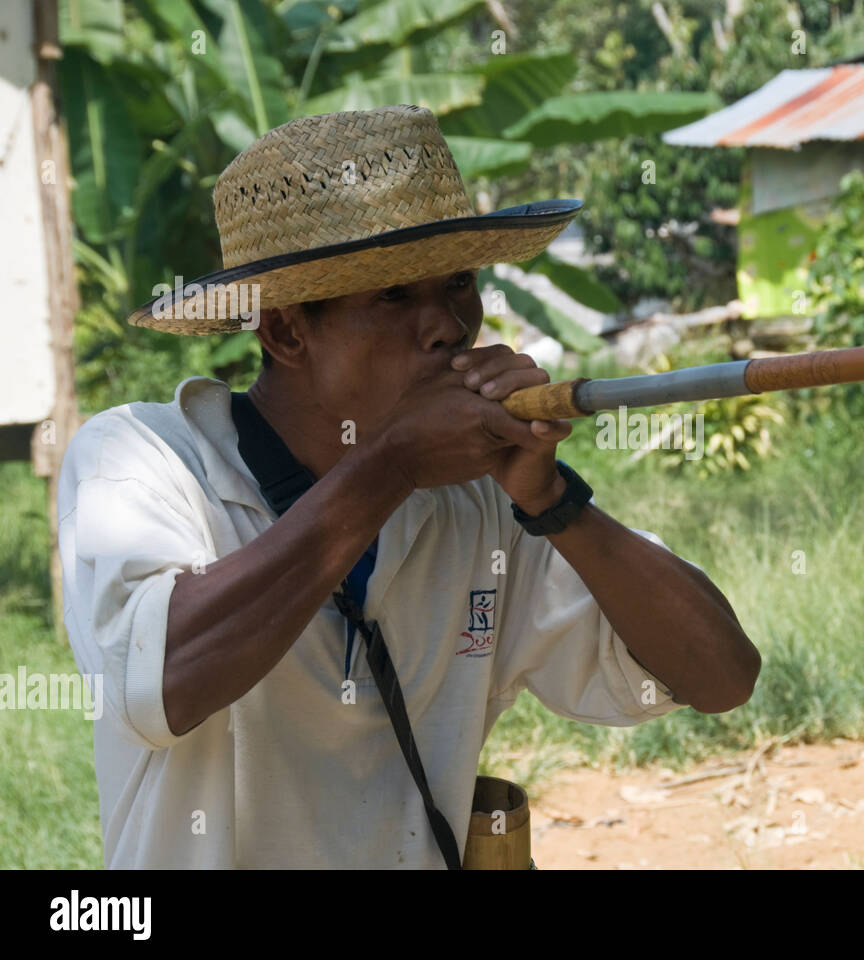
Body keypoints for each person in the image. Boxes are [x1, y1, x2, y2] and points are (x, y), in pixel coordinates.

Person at [57, 105, 760, 868]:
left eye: (459, 285)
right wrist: (390, 465)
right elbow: (164, 684)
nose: (449, 327)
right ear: (287, 333)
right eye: (393, 297)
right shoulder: (139, 459)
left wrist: (553, 501)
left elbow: (720, 676)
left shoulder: (479, 502)